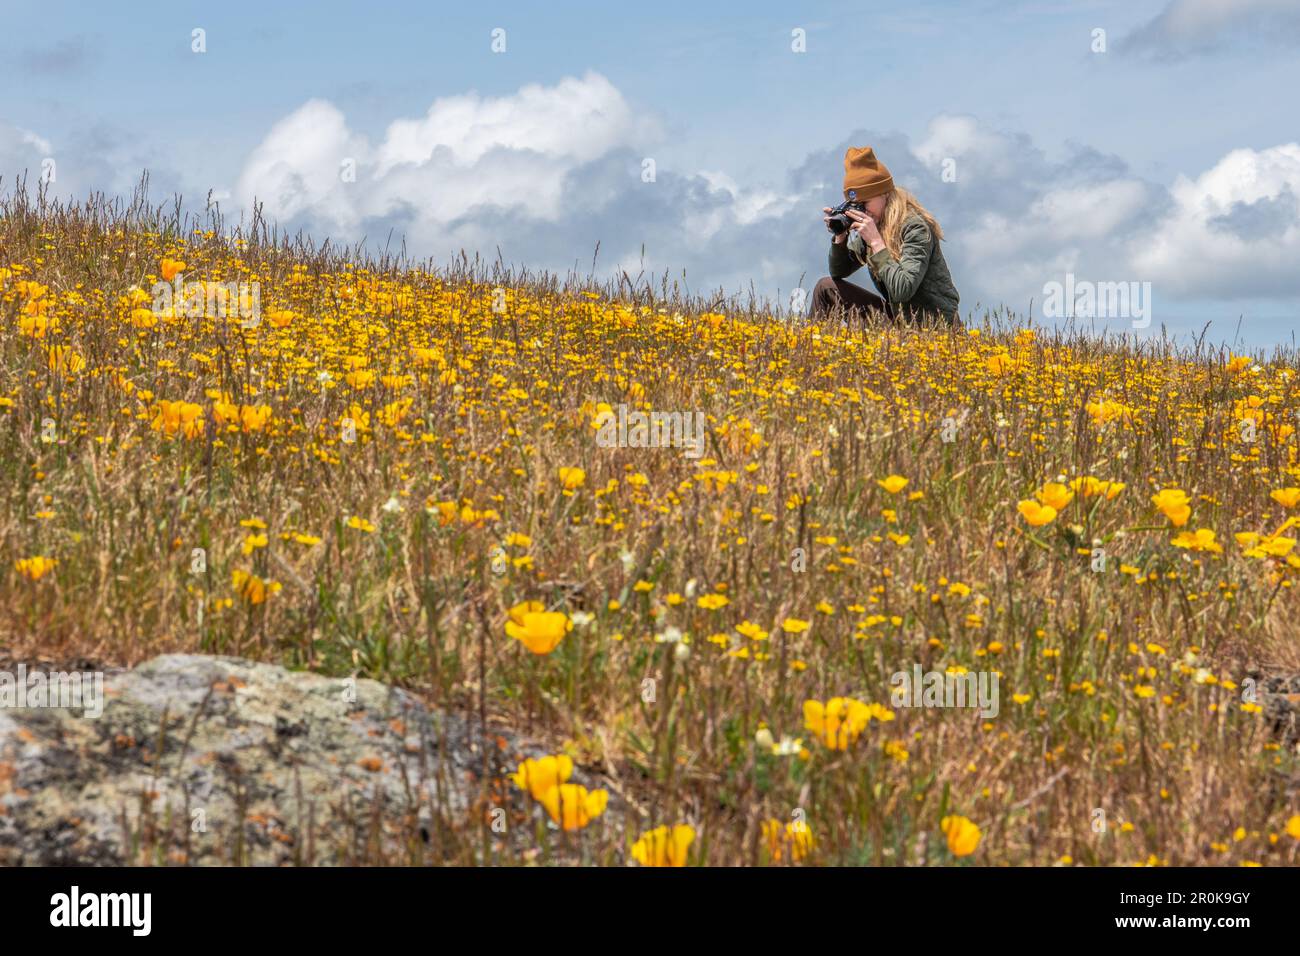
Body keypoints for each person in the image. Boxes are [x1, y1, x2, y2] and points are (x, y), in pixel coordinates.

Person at [812, 146, 960, 326]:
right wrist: (841, 237)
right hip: (899, 318)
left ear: (884, 194)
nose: (862, 211)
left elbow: (902, 290)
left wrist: (875, 242)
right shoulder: (876, 224)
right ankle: (812, 349)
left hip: (933, 326)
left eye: (864, 203)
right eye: (855, 206)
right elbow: (839, 271)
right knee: (825, 287)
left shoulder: (915, 227)